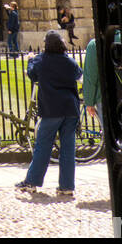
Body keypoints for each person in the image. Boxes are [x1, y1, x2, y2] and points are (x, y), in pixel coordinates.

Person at [16, 31, 82, 197]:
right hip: (70, 108)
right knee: (68, 149)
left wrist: (30, 59)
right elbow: (81, 77)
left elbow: (32, 74)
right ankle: (67, 186)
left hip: (52, 109)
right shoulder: (69, 61)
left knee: (43, 147)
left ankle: (31, 182)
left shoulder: (40, 60)